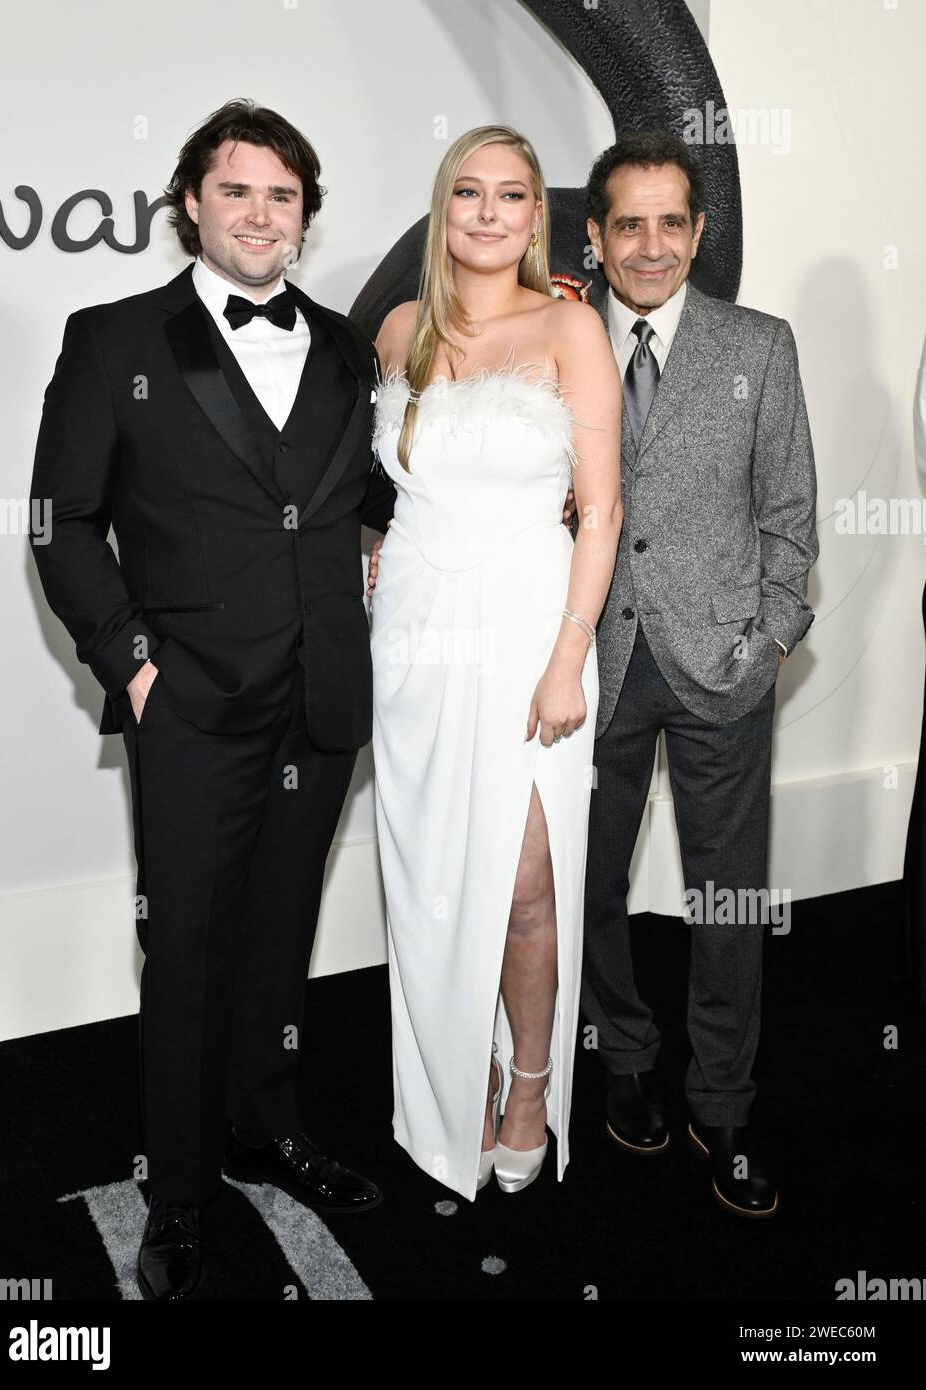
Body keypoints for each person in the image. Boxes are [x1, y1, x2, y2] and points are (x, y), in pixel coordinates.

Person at [28, 99, 396, 1300]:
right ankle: (178, 1190)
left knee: (280, 932)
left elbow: (355, 499)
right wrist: (133, 661)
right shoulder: (113, 337)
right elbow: (64, 523)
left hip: (322, 696)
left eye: (281, 195)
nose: (258, 213)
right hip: (188, 703)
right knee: (184, 952)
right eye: (235, 190)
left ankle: (264, 1126)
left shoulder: (345, 346)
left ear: (305, 215)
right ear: (191, 201)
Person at [368, 125, 622, 1202]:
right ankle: (446, 1073)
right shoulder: (395, 331)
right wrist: (368, 549)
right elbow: (375, 483)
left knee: (524, 882)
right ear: (443, 207)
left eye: (509, 195)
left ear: (535, 219)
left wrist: (567, 659)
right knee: (431, 880)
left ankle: (527, 1082)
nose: (485, 211)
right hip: (417, 631)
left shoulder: (570, 326)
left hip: (531, 629)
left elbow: (603, 509)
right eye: (466, 191)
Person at [580, 130, 819, 1217]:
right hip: (588, 666)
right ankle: (622, 1052)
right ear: (594, 235)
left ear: (697, 232)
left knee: (726, 899)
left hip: (719, 666)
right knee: (587, 886)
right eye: (627, 222)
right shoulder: (559, 340)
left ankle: (721, 1101)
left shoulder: (758, 346)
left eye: (670, 222)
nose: (650, 244)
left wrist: (766, 638)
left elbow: (790, 521)